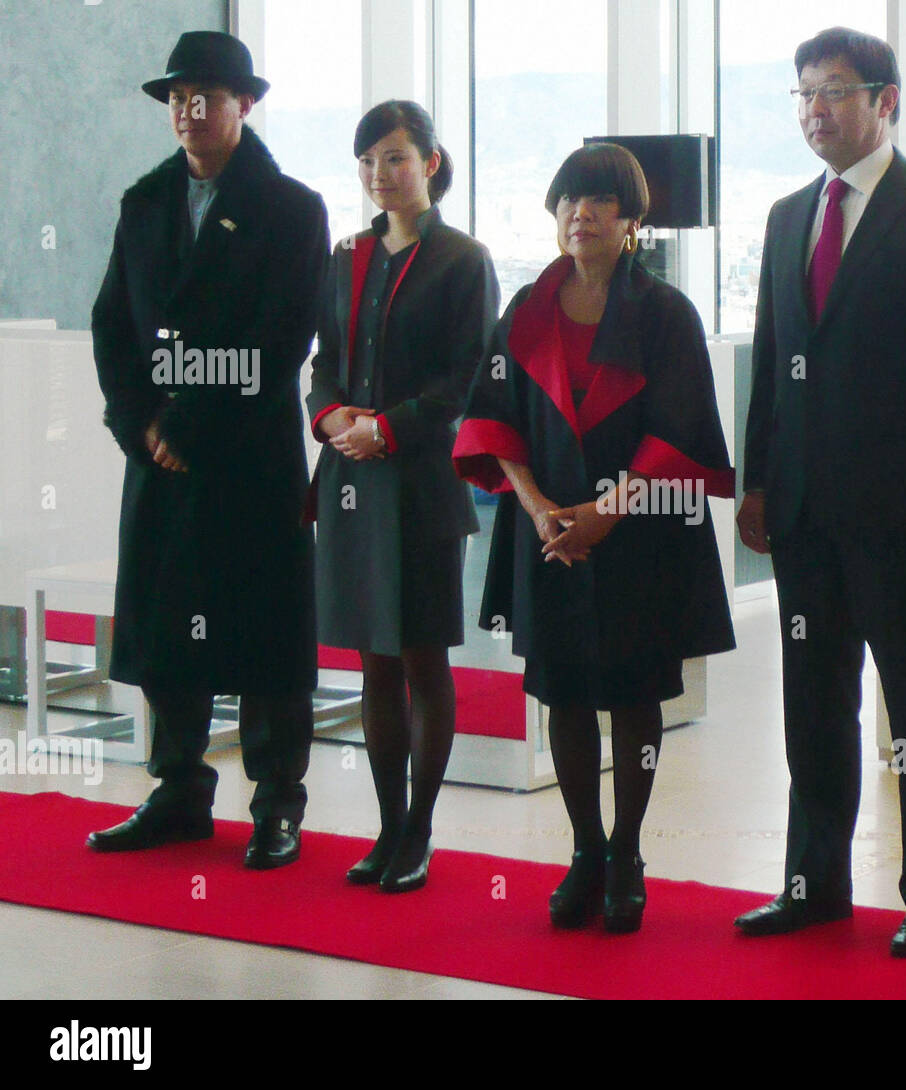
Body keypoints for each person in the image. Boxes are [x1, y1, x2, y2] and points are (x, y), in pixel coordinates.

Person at [734, 27, 906, 955]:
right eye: (802, 94)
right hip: (803, 510)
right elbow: (770, 359)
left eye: (834, 92)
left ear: (886, 102)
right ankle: (814, 884)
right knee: (813, 702)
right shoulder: (784, 216)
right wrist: (754, 481)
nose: (815, 111)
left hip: (904, 514)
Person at [452, 144, 735, 932]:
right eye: (569, 200)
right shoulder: (527, 309)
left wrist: (610, 510)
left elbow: (682, 432)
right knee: (563, 693)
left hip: (641, 536)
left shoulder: (667, 313)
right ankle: (584, 851)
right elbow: (492, 422)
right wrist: (541, 508)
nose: (581, 214)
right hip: (546, 535)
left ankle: (628, 854)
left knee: (635, 699)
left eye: (601, 202)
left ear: (633, 222)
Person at [88, 31, 328, 867]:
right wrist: (142, 423)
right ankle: (180, 791)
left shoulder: (291, 208)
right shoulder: (143, 202)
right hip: (161, 457)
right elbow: (112, 323)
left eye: (208, 97)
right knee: (167, 629)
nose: (190, 111)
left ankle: (276, 804)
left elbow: (283, 336)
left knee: (265, 636)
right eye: (179, 98)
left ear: (245, 105)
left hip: (247, 454)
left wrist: (189, 422)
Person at [307, 101, 499, 893]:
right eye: (368, 162)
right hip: (349, 479)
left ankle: (420, 833)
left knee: (422, 658)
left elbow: (463, 382)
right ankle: (386, 830)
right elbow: (323, 364)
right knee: (371, 663)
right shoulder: (347, 255)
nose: (380, 176)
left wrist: (386, 429)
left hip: (419, 480)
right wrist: (332, 420)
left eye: (395, 158)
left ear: (431, 162)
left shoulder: (463, 258)